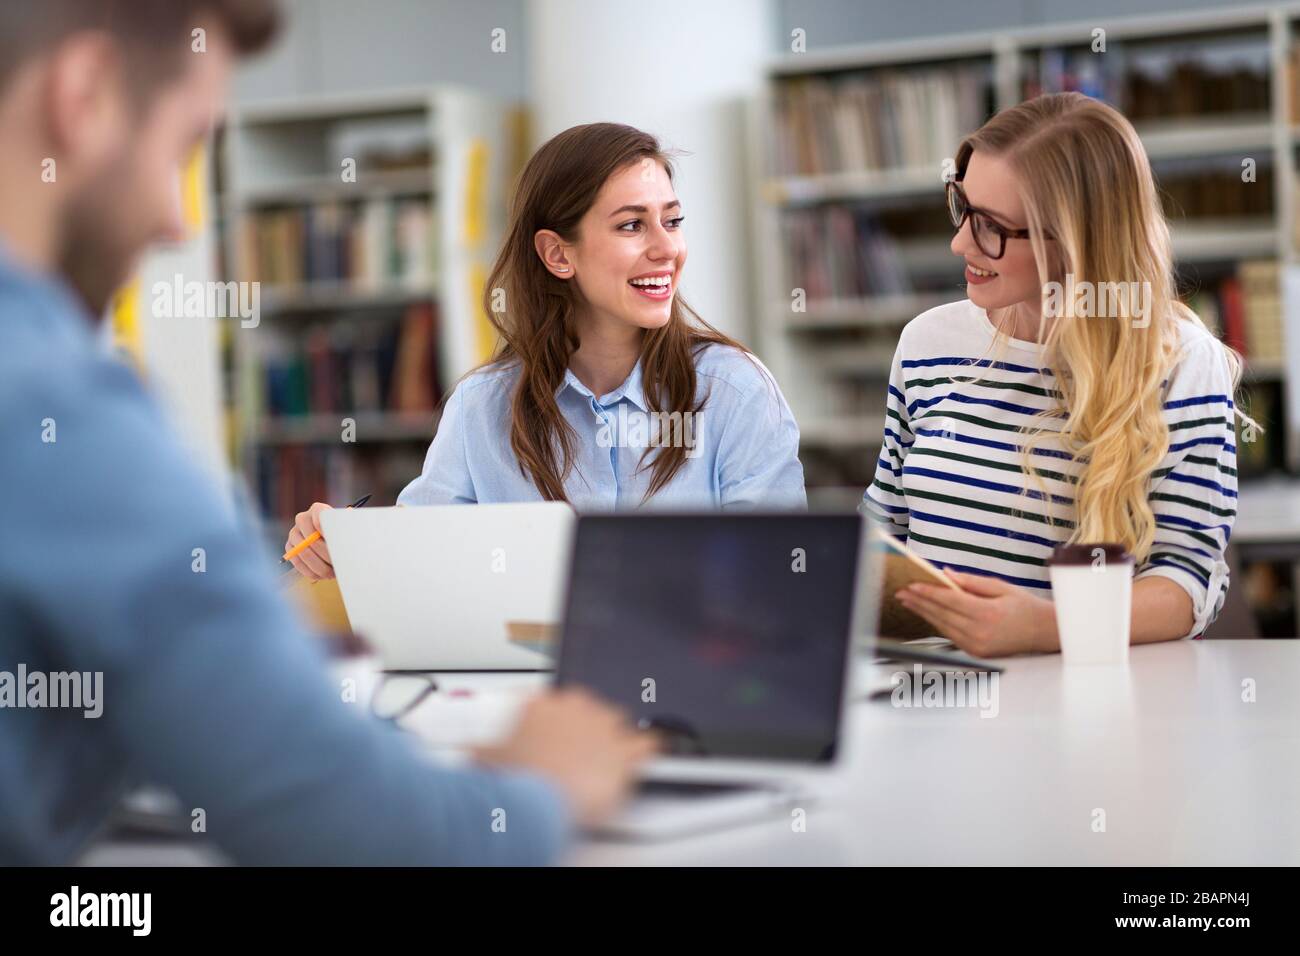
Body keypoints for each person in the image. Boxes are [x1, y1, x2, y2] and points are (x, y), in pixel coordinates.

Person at [0, 0, 653, 866]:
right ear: (81, 98)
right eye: (183, 151)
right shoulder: (58, 410)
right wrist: (543, 789)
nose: (178, 221)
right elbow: (354, 831)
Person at [286, 122, 806, 580]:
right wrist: (340, 546)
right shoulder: (481, 406)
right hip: (523, 687)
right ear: (558, 254)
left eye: (671, 220)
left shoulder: (734, 391)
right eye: (631, 225)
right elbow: (419, 564)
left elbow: (780, 580)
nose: (667, 248)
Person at [862, 92, 1245, 658]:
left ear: (1077, 240)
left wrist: (1045, 626)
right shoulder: (926, 343)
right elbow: (883, 527)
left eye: (991, 226)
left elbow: (1186, 581)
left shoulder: (1183, 363)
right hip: (927, 697)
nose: (960, 241)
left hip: (1086, 705)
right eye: (961, 206)